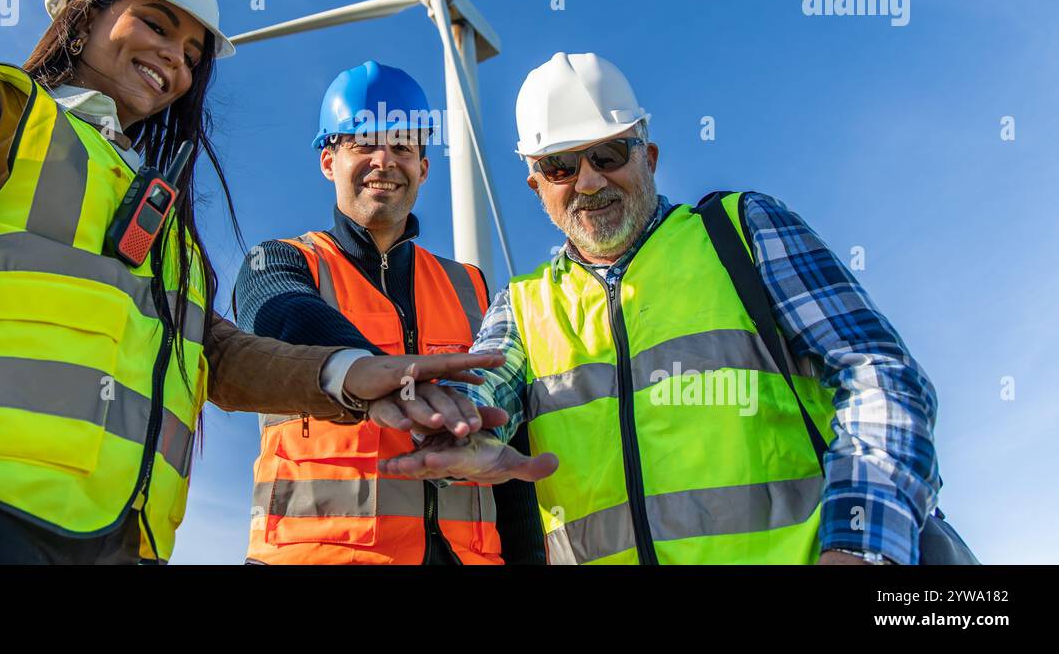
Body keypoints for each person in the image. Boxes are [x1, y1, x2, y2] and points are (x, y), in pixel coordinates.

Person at [0, 0, 500, 566]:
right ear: (82, 12)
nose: (175, 58)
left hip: (116, 545)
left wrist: (351, 374)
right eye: (156, 24)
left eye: (194, 55)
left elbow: (215, 355)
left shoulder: (165, 222)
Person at [383, 51, 942, 565]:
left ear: (647, 156)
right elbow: (484, 388)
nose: (589, 180)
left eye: (608, 153)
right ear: (537, 186)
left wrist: (861, 546)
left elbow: (879, 376)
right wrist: (454, 429)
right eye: (561, 167)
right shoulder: (523, 303)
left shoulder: (740, 233)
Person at [233, 61, 544, 564]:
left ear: (423, 166)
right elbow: (280, 317)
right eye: (363, 142)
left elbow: (508, 445)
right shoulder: (281, 263)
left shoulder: (473, 288)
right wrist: (388, 378)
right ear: (328, 160)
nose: (384, 160)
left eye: (402, 146)